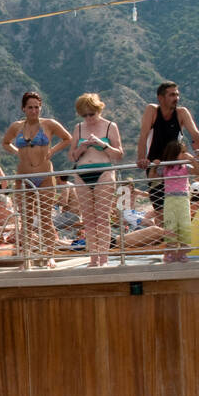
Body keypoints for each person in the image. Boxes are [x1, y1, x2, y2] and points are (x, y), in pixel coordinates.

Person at [135, 81, 199, 218]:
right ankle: (166, 236)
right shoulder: (152, 110)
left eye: (177, 95)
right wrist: (142, 158)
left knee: (179, 209)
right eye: (171, 95)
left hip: (174, 167)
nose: (176, 98)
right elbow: (143, 136)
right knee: (160, 212)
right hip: (156, 166)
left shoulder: (181, 113)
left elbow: (195, 133)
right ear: (161, 98)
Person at [2, 91, 71, 267]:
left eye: (37, 107)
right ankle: (27, 257)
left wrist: (52, 151)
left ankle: (49, 255)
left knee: (45, 217)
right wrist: (17, 151)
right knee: (25, 218)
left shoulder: (49, 124)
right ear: (23, 108)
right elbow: (5, 142)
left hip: (45, 175)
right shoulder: (16, 127)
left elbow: (67, 138)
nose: (34, 111)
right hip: (23, 176)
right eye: (30, 107)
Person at [70, 92, 124, 267]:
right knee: (88, 219)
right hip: (81, 173)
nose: (88, 118)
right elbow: (72, 156)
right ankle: (93, 258)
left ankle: (104, 259)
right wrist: (82, 147)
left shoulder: (110, 126)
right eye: (84, 115)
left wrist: (103, 145)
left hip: (104, 172)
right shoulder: (78, 128)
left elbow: (119, 154)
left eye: (91, 114)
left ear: (98, 110)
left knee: (102, 217)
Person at [155, 138, 196, 262]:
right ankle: (170, 251)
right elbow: (155, 175)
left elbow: (198, 173)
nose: (184, 154)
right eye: (182, 152)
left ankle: (183, 252)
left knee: (184, 224)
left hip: (183, 199)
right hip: (170, 199)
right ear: (173, 154)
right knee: (170, 224)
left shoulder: (186, 166)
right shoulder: (165, 168)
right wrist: (155, 165)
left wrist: (193, 160)